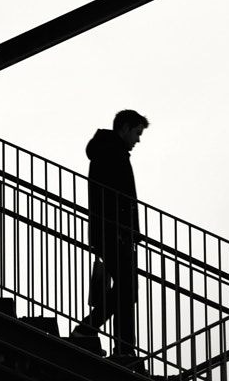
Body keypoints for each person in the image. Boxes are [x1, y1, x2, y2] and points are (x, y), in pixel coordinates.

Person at [72, 109, 149, 363]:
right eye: (137, 133)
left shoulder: (109, 150)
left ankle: (122, 347)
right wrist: (122, 229)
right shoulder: (110, 152)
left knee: (127, 289)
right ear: (125, 128)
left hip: (115, 231)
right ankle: (94, 331)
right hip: (113, 232)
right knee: (128, 288)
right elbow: (113, 195)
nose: (138, 139)